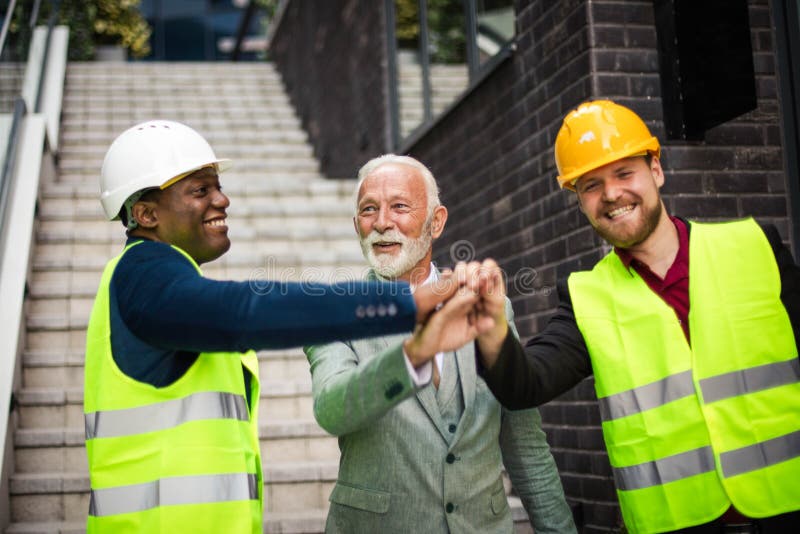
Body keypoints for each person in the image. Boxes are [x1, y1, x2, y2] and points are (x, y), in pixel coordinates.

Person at [83, 121, 477, 533]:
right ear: (146, 214)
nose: (223, 199)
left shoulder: (151, 278)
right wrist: (403, 302)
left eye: (217, 186)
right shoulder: (143, 275)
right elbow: (243, 310)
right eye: (200, 191)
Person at [472, 100, 800, 533]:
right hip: (676, 523)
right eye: (590, 185)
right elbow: (525, 384)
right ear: (580, 201)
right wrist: (492, 328)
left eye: (624, 173)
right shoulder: (584, 296)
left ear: (656, 171)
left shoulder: (757, 247)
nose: (610, 194)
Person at [303, 154, 576, 533]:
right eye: (369, 210)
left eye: (399, 206)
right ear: (356, 226)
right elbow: (333, 409)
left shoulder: (491, 306)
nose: (382, 223)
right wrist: (417, 353)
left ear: (437, 222)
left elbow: (524, 444)